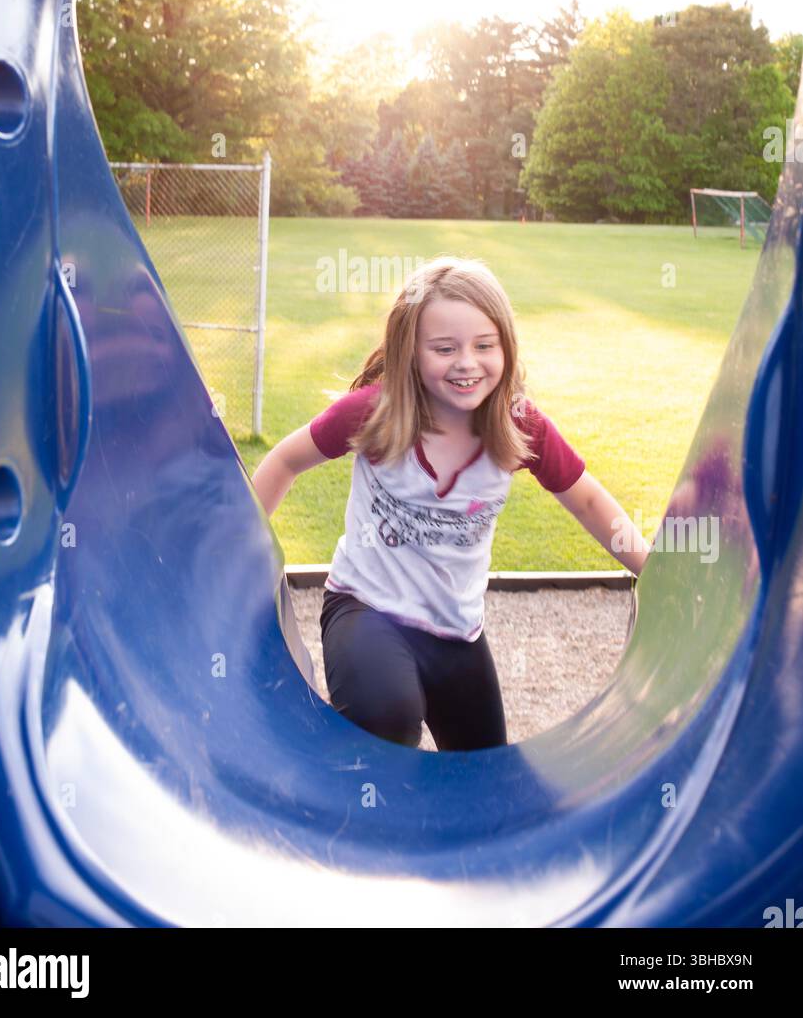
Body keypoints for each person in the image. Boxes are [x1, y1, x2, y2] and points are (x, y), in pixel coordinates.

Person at [251, 255, 651, 752]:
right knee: (388, 714)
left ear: (506, 347)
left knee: (482, 771)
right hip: (366, 608)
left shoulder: (519, 426)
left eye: (485, 346)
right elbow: (286, 460)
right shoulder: (375, 414)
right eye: (445, 348)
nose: (467, 362)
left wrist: (653, 568)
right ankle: (352, 785)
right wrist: (238, 553)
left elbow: (588, 501)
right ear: (410, 352)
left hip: (455, 632)